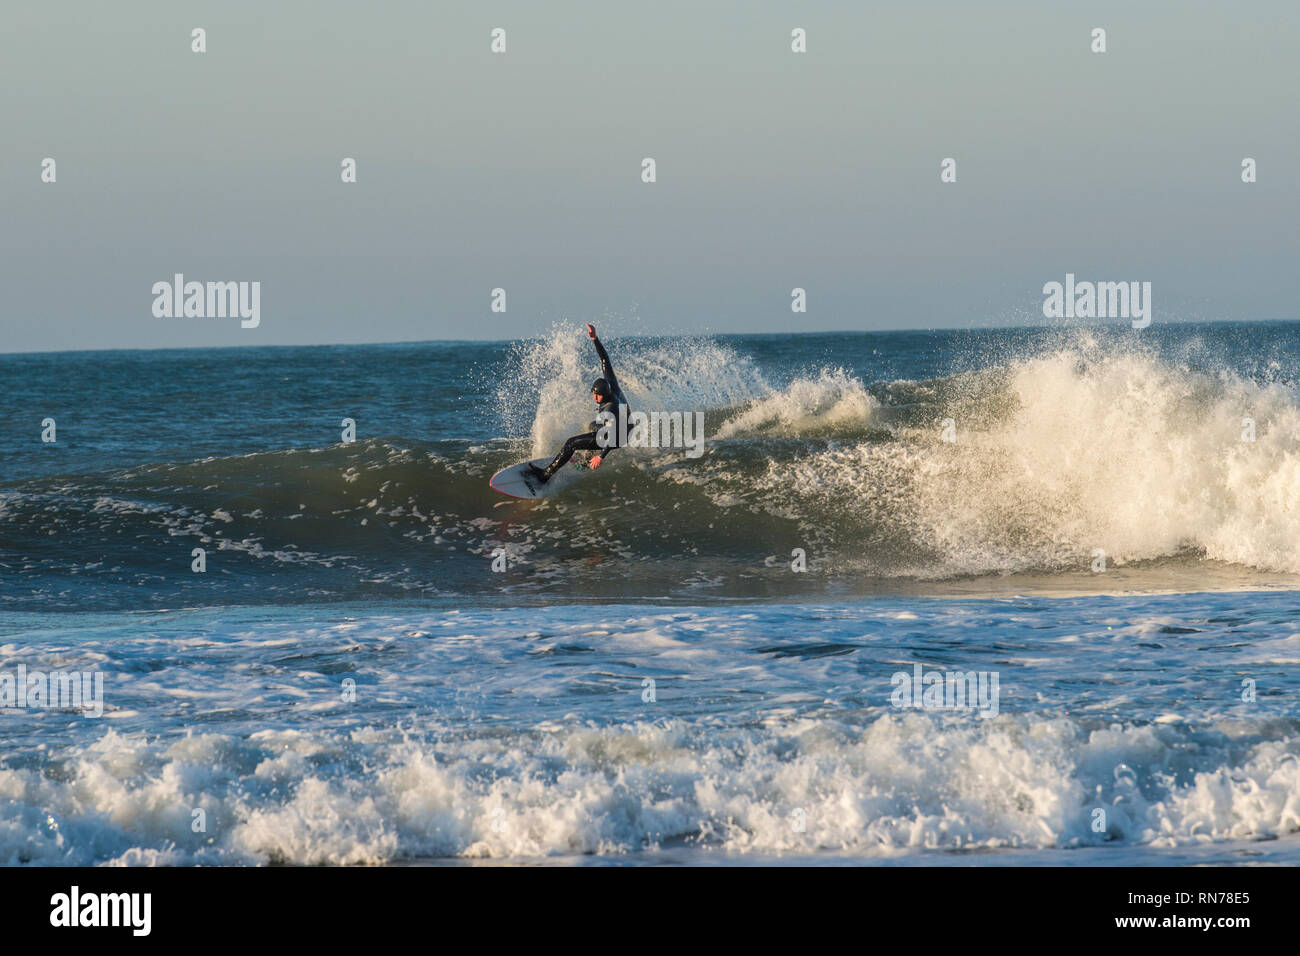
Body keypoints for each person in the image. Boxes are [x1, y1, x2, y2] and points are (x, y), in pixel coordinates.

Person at [529, 323, 628, 485]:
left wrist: (601, 456)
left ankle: (545, 475)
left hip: (618, 436)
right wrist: (595, 338)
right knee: (593, 426)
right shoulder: (611, 385)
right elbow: (605, 359)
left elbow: (612, 434)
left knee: (571, 443)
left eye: (596, 396)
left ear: (603, 395)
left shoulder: (610, 408)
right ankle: (584, 463)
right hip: (623, 428)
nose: (594, 397)